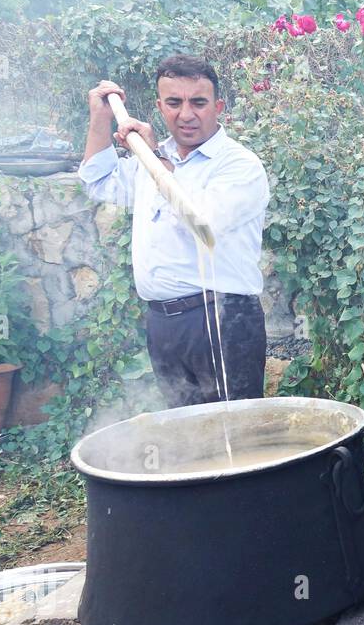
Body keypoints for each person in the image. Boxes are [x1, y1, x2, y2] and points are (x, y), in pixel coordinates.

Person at [79, 54, 270, 409]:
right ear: (159, 106)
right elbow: (98, 183)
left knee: (236, 434)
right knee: (186, 435)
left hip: (220, 318)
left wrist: (152, 156)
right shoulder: (152, 159)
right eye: (174, 103)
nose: (186, 114)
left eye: (198, 102)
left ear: (218, 106)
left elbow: (201, 224)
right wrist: (100, 119)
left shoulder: (239, 166)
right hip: (163, 322)